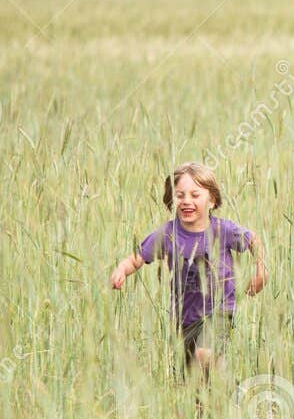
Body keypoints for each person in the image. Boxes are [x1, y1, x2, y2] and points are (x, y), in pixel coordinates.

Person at [111, 162, 266, 378]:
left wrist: (261, 271)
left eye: (195, 195)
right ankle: (212, 404)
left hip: (220, 311)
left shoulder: (223, 230)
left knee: (205, 354)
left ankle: (227, 385)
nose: (186, 201)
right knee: (191, 382)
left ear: (211, 200)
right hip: (185, 318)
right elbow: (137, 258)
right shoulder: (168, 234)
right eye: (180, 195)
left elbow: (254, 241)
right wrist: (121, 270)